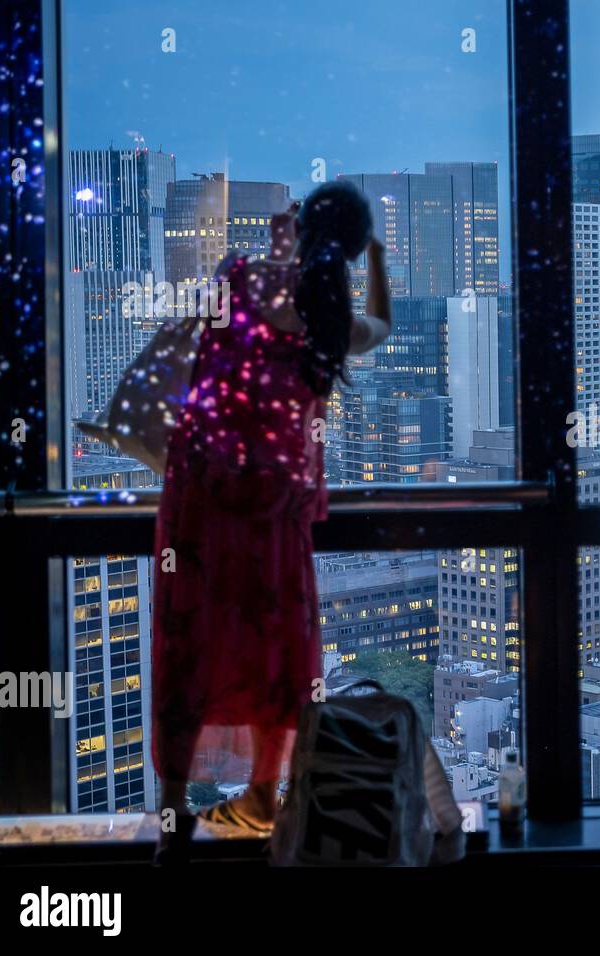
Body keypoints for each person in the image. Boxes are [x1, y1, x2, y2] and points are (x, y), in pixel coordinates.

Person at [152, 181, 392, 858]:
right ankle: (263, 794)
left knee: (190, 647)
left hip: (200, 509)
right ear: (346, 250)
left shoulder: (237, 277)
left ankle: (173, 820)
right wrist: (371, 262)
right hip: (273, 519)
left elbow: (207, 353)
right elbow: (382, 326)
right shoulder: (327, 317)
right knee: (278, 652)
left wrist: (276, 247)